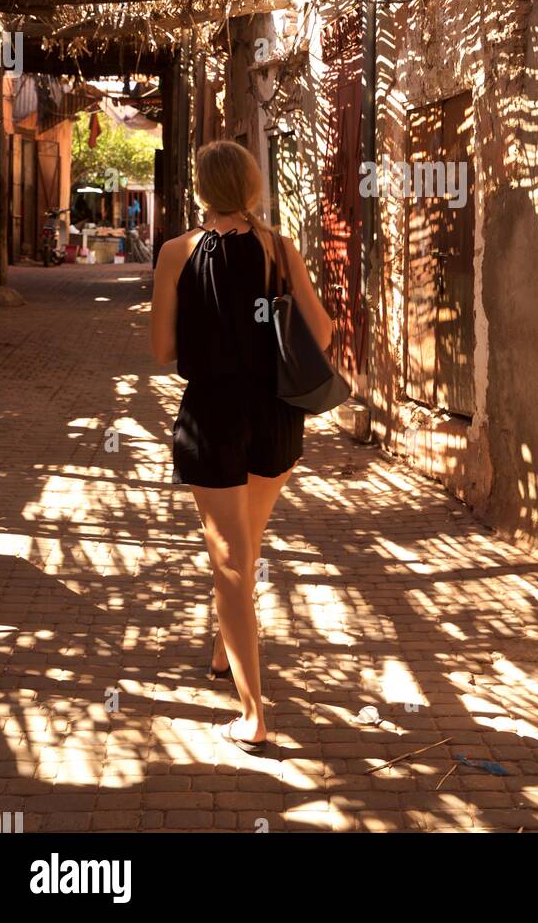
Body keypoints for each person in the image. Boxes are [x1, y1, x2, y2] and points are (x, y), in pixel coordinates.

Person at [150, 140, 332, 753]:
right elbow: (324, 329)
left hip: (214, 415)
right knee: (241, 549)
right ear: (253, 187)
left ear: (200, 190)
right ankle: (223, 652)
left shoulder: (177, 252)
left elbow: (161, 350)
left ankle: (254, 716)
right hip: (276, 415)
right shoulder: (282, 248)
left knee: (230, 560)